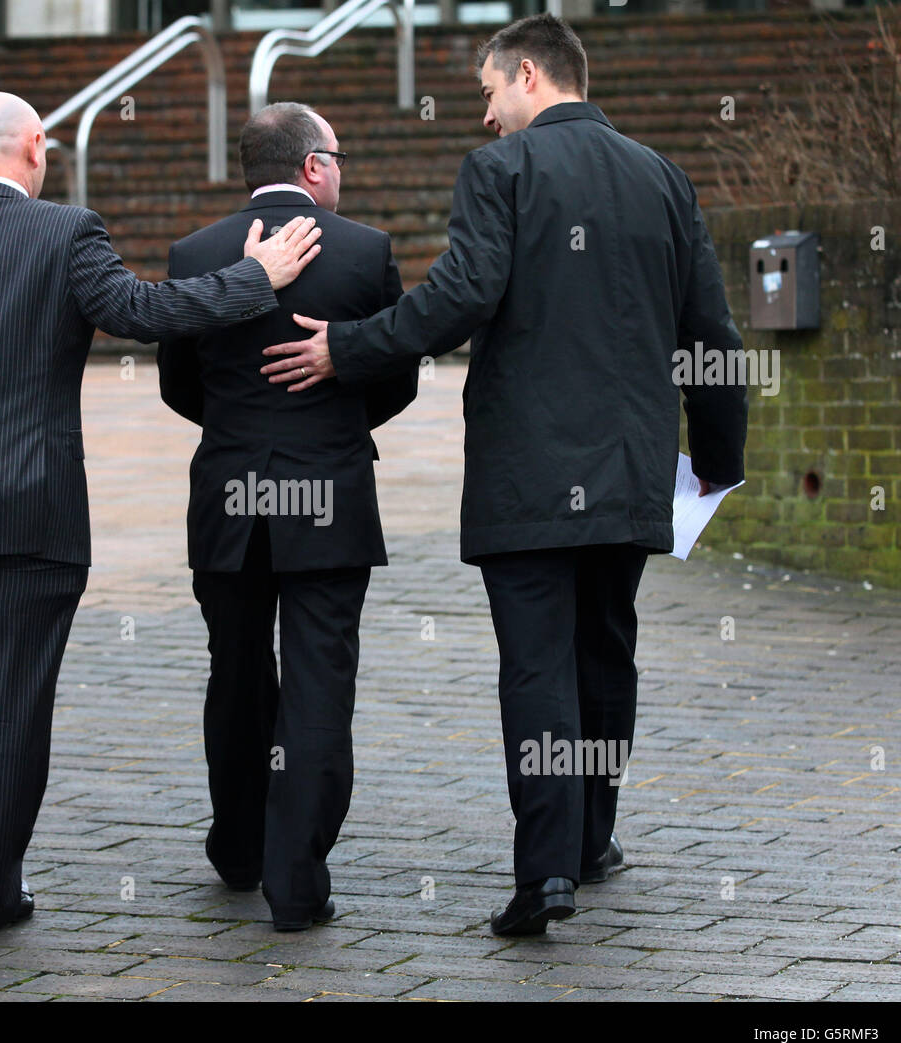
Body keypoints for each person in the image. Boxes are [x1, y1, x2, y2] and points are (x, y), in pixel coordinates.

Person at [259, 15, 748, 936]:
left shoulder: (503, 173)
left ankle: (545, 876)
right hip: (632, 473)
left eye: (487, 92)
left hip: (528, 474)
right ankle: (590, 840)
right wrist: (716, 466)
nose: (484, 116)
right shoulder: (662, 178)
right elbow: (711, 337)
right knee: (606, 654)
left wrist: (350, 348)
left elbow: (460, 296)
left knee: (536, 667)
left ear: (529, 73)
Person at [0, 91, 322, 935]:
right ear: (37, 150)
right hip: (33, 507)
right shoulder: (66, 234)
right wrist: (254, 278)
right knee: (16, 695)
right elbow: (146, 315)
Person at [157, 103, 417, 931]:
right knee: (318, 686)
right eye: (337, 156)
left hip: (229, 497)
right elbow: (398, 378)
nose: (342, 171)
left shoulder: (195, 254)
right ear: (312, 166)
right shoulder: (366, 252)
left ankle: (237, 850)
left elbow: (175, 384)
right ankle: (297, 886)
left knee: (234, 676)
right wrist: (331, 428)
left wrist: (241, 430)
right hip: (330, 497)